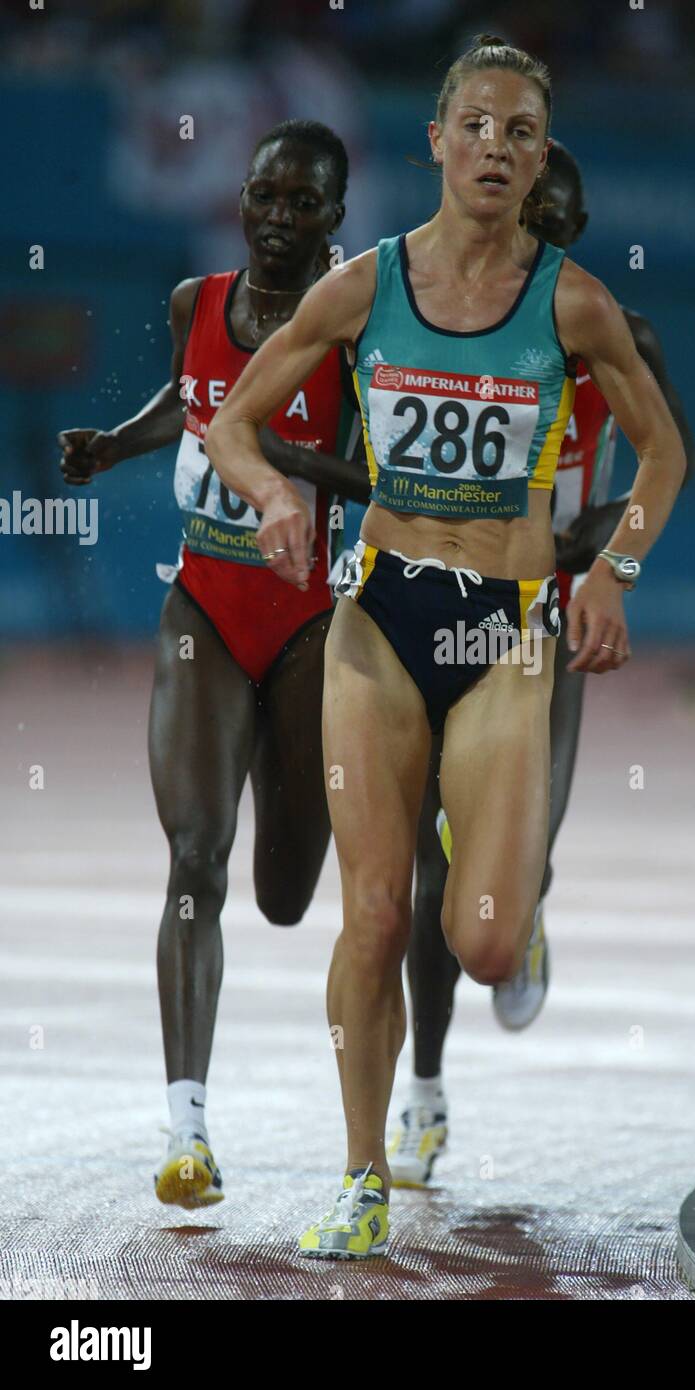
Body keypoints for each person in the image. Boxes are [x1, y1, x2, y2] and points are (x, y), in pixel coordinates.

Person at [205, 35, 687, 1259]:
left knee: (479, 941)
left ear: (540, 156)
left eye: (520, 132)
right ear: (435, 141)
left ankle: (511, 888)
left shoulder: (571, 302)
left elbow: (663, 454)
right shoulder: (362, 286)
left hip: (504, 632)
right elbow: (235, 425)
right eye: (475, 125)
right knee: (372, 913)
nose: (495, 149)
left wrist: (614, 572)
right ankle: (360, 1174)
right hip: (379, 619)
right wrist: (270, 496)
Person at [57, 121, 368, 1210]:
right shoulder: (197, 300)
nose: (278, 217)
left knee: (283, 897)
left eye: (303, 202)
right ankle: (186, 1127)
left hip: (310, 626)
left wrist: (280, 457)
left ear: (335, 217)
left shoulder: (353, 325)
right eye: (264, 196)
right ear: (241, 199)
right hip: (203, 606)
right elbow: (190, 401)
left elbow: (378, 477)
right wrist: (117, 441)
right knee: (195, 857)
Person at [389, 140, 695, 1186]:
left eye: (553, 221)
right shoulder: (438, 312)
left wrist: (604, 554)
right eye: (525, 216)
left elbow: (668, 464)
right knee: (431, 870)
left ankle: (525, 908)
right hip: (432, 604)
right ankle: (423, 1093)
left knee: (518, 866)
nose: (533, 235)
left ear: (574, 228)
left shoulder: (610, 328)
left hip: (544, 620)